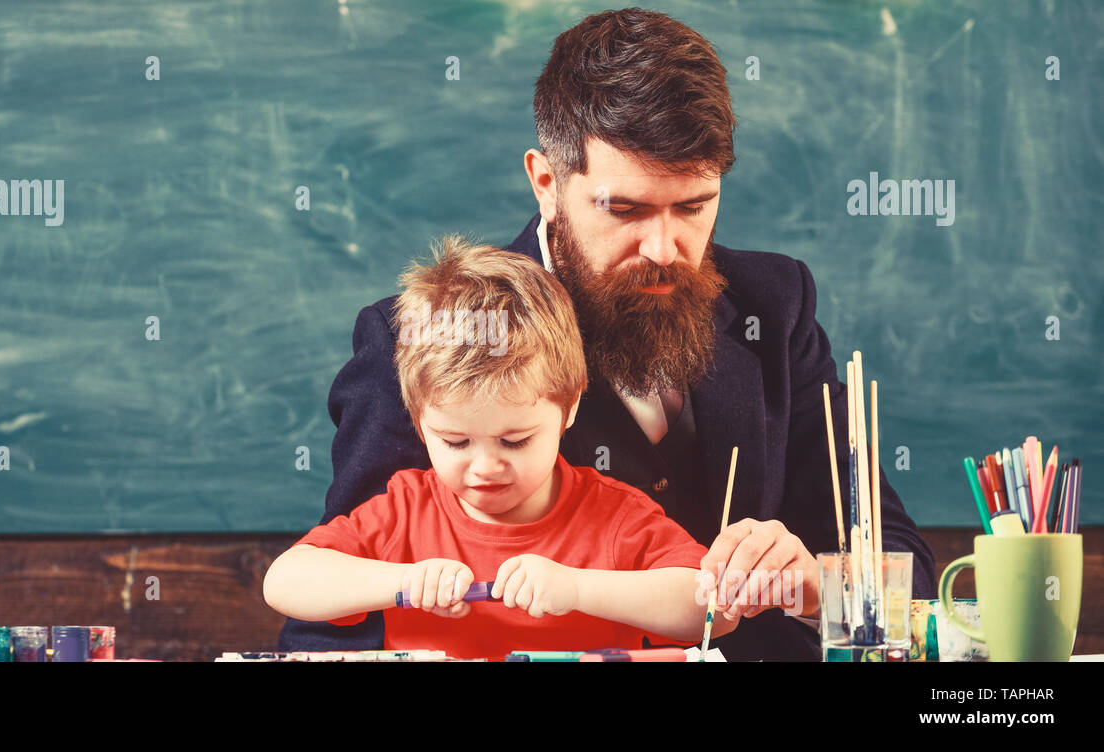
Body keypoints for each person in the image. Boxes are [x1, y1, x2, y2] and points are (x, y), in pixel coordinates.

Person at [279, 8, 936, 660]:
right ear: (546, 183)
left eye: (693, 206)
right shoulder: (432, 335)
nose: (663, 247)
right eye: (625, 209)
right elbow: (335, 625)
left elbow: (903, 567)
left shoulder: (776, 304)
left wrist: (816, 586)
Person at [263, 238, 740, 660]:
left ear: (569, 408)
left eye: (515, 440)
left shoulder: (616, 517)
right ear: (418, 421)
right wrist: (403, 584)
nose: (486, 467)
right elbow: (284, 582)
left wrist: (576, 588)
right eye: (455, 441)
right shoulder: (404, 510)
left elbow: (714, 610)